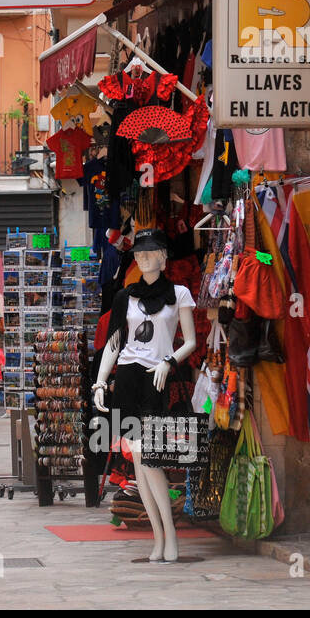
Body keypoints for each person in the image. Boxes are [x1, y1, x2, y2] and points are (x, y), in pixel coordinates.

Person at [92, 229, 196, 564]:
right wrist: (99, 382)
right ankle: (159, 538)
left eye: (150, 253)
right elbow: (114, 342)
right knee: (139, 461)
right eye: (139, 253)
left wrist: (169, 360)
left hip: (157, 379)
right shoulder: (126, 296)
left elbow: (190, 342)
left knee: (148, 458)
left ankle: (171, 535)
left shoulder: (179, 294)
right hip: (127, 377)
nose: (143, 258)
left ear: (164, 257)